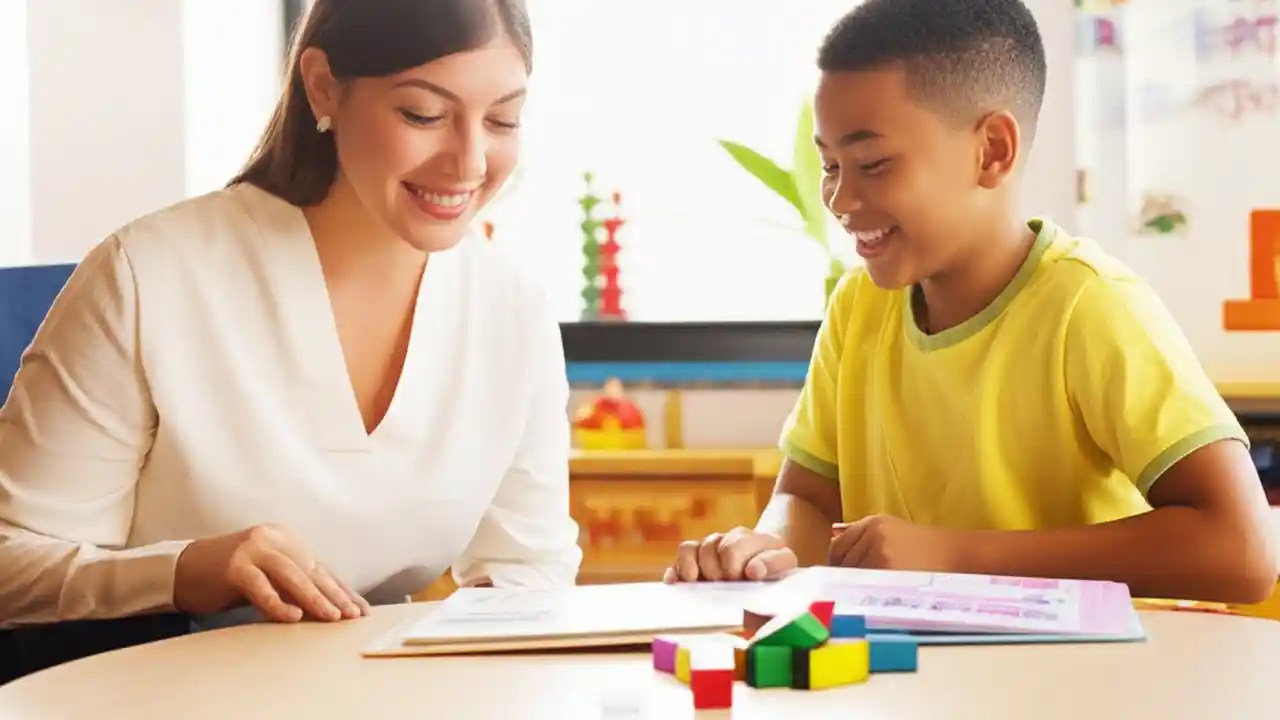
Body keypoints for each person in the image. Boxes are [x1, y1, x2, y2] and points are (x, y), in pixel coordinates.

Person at [0, 0, 580, 676]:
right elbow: (13, 564)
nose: (470, 162)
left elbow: (528, 571)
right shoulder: (149, 275)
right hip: (146, 693)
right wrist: (183, 572)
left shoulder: (511, 310)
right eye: (423, 114)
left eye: (502, 120)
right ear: (324, 87)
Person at [665, 0, 1278, 604]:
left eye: (873, 163)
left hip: (1094, 668)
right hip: (925, 666)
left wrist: (955, 558)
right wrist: (764, 551)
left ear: (992, 151)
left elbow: (1244, 551)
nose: (841, 199)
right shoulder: (858, 308)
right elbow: (807, 498)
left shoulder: (1088, 306)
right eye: (830, 165)